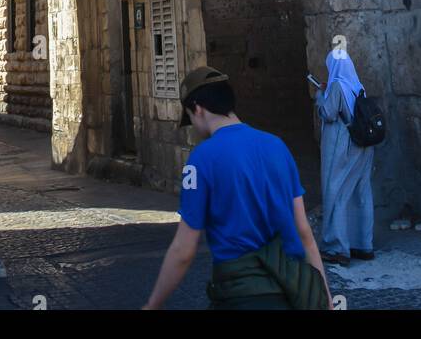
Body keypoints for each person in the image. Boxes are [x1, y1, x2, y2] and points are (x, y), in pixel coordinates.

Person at [143, 66, 333, 310]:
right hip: (290, 294)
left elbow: (184, 249)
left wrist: (153, 304)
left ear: (197, 109)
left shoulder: (201, 158)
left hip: (240, 295)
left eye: (189, 117)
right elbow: (304, 232)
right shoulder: (278, 147)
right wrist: (325, 298)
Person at [316, 42, 374, 267]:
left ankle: (337, 248)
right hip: (363, 145)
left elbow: (327, 113)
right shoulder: (358, 85)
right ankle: (363, 244)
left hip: (343, 146)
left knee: (336, 191)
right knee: (360, 191)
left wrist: (320, 94)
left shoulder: (338, 86)